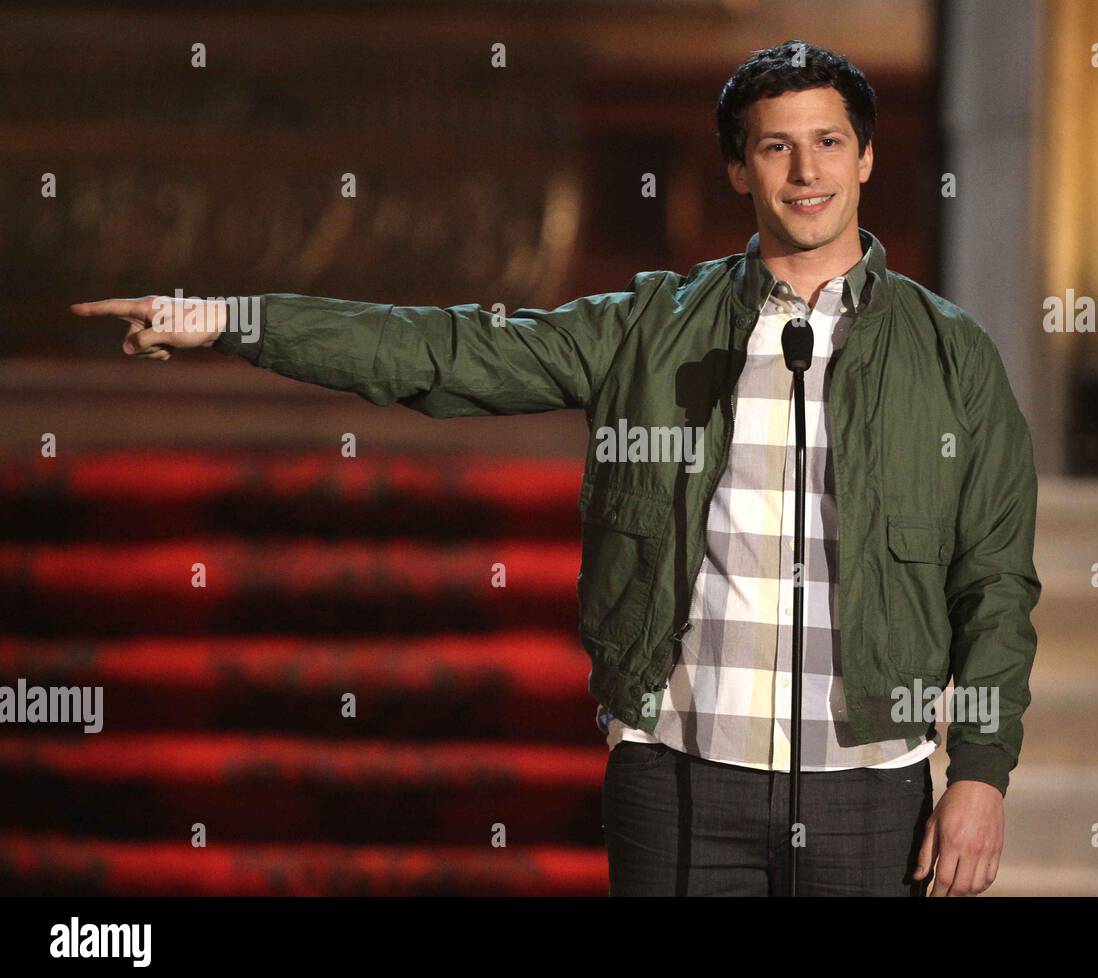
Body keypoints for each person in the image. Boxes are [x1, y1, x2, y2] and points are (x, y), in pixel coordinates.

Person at [72, 39, 1040, 897]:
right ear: (739, 170)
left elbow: (994, 579)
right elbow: (445, 353)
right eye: (775, 145)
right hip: (677, 771)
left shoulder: (950, 353)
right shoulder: (648, 327)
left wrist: (980, 775)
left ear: (865, 156)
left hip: (868, 784)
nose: (805, 170)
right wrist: (231, 320)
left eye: (827, 141)